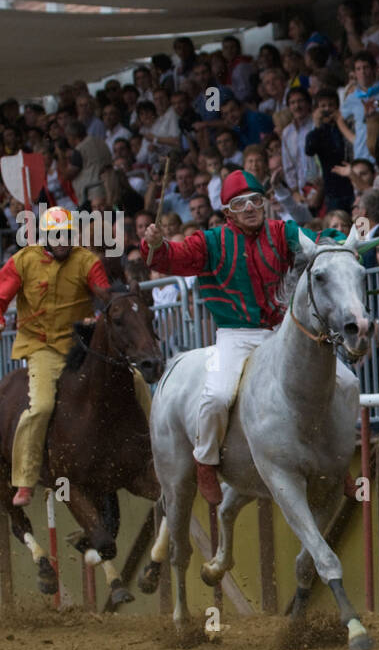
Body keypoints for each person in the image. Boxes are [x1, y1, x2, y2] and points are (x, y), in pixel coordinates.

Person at [139, 170, 332, 504]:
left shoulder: (284, 232)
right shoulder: (209, 242)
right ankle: (206, 461)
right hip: (236, 335)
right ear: (227, 212)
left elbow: (317, 250)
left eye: (256, 200)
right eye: (241, 204)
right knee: (216, 397)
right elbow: (174, 259)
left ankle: (339, 460)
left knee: (339, 381)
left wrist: (342, 246)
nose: (251, 208)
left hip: (282, 331)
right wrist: (154, 245)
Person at [0, 207, 112, 507]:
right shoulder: (23, 261)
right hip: (42, 347)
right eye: (56, 236)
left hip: (81, 344)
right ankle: (25, 479)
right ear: (45, 237)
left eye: (66, 234)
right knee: (40, 407)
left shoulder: (88, 261)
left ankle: (153, 449)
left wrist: (107, 315)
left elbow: (107, 297)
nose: (62, 240)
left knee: (136, 382)